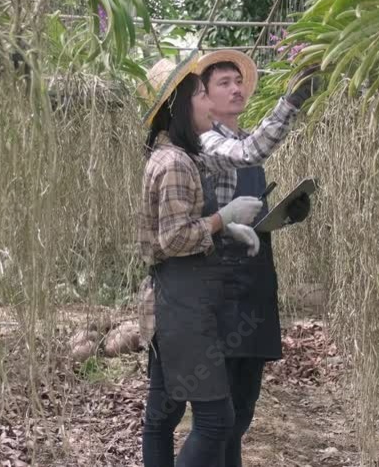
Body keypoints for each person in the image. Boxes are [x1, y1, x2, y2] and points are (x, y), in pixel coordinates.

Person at [138, 53, 265, 467]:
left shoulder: (179, 158)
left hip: (176, 299)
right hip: (183, 306)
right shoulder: (175, 163)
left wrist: (225, 228)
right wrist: (221, 219)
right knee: (214, 420)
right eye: (200, 94)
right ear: (179, 106)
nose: (211, 103)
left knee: (162, 414)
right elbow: (174, 237)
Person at [195, 50, 320, 467]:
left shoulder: (241, 137)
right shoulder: (209, 142)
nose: (236, 88)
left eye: (238, 81)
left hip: (254, 279)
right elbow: (250, 153)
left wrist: (284, 216)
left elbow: (249, 208)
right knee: (221, 408)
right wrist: (293, 100)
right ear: (204, 96)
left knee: (245, 401)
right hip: (221, 283)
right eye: (223, 83)